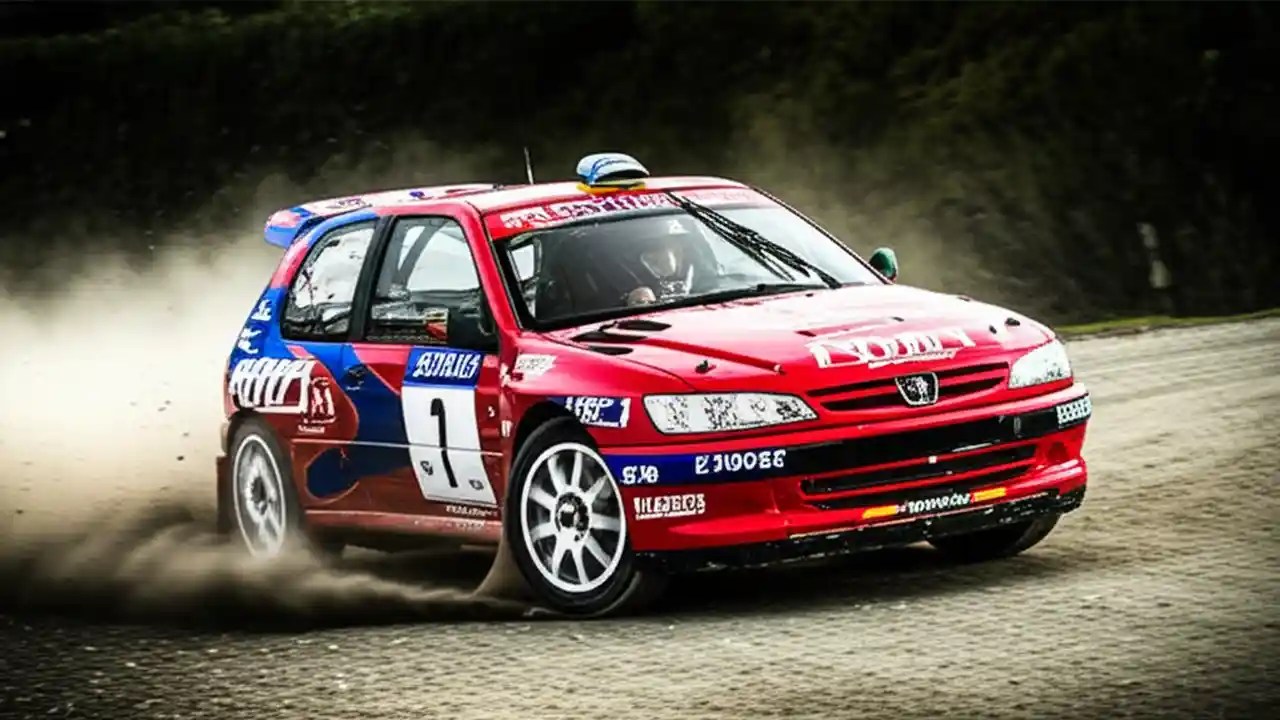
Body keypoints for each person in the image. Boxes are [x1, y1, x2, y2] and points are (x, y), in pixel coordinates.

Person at [624, 217, 702, 306]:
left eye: (655, 246)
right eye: (644, 249)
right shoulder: (635, 280)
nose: (650, 255)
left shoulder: (701, 276)